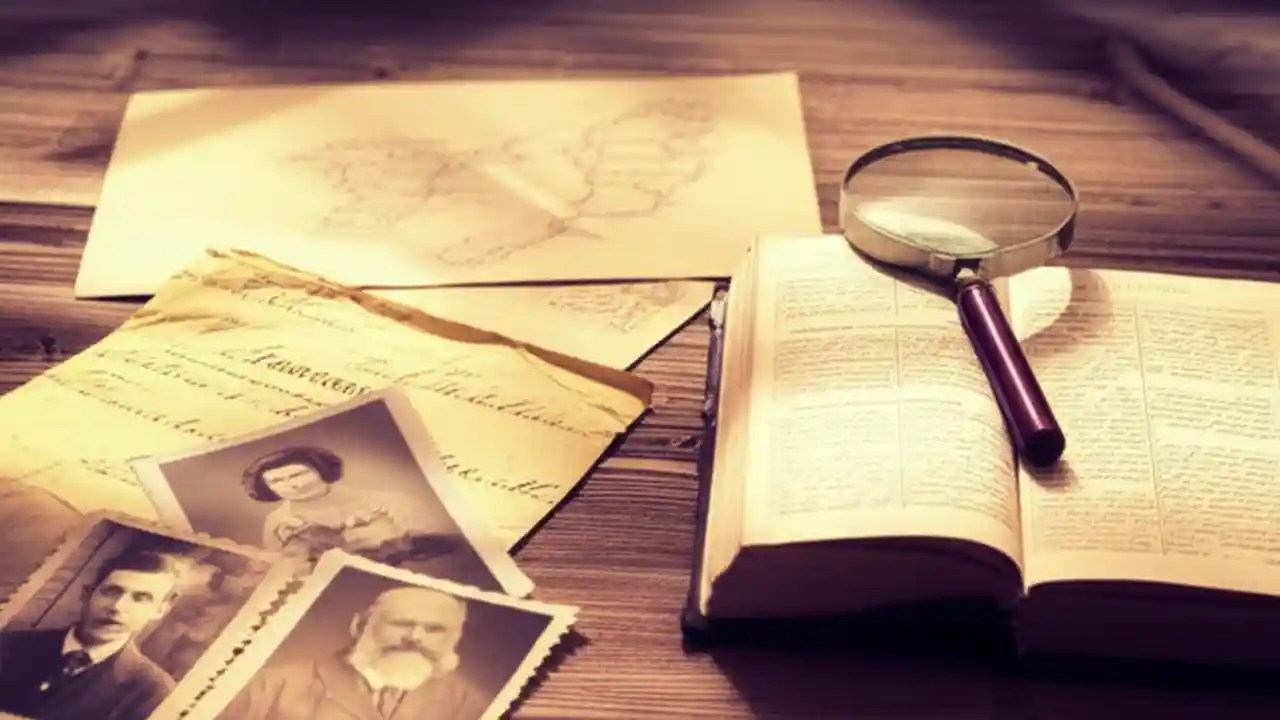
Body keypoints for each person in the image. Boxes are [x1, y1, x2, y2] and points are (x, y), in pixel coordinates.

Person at [222, 586, 486, 719]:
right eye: (402, 623)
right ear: (359, 625)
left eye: (435, 629)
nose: (415, 638)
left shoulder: (466, 703)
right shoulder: (272, 685)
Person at [0, 551, 181, 720]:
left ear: (159, 611)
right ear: (87, 594)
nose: (117, 607)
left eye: (140, 598)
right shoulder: (8, 645)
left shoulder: (153, 692)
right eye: (112, 592)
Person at [241, 446, 472, 572]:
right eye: (277, 481)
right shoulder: (278, 523)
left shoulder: (392, 502)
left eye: (299, 473)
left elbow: (447, 550)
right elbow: (283, 572)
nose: (294, 485)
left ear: (321, 471)